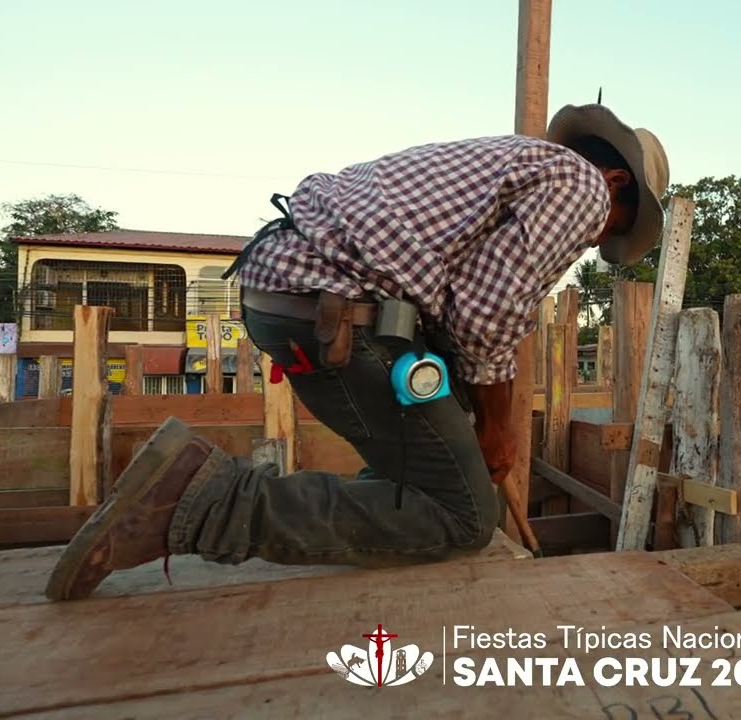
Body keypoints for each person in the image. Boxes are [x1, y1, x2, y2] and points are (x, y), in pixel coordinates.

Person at [44, 103, 670, 601]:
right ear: (613, 182)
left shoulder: (511, 163)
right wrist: (500, 427)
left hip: (300, 299)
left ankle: (219, 500)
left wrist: (471, 401)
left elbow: (458, 305)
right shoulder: (579, 183)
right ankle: (204, 503)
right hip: (338, 310)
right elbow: (488, 311)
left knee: (417, 478)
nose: (592, 243)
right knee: (463, 516)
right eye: (610, 228)